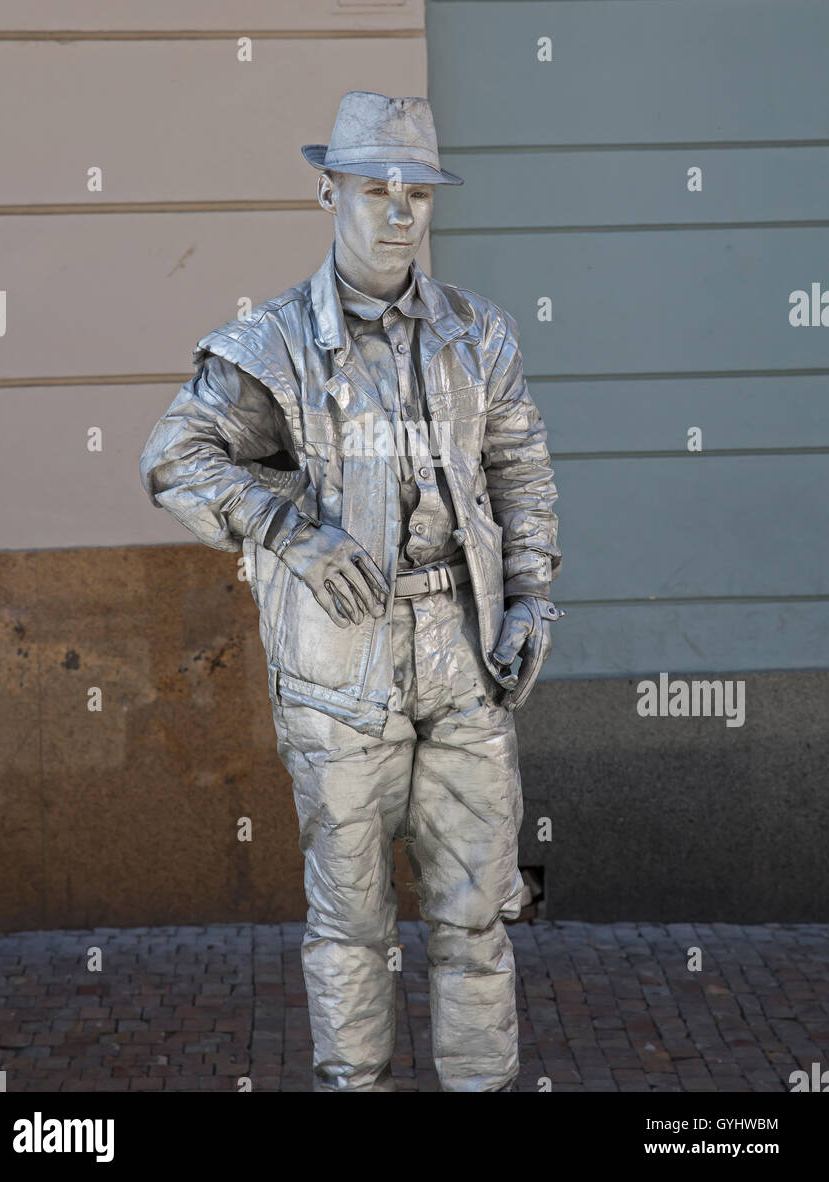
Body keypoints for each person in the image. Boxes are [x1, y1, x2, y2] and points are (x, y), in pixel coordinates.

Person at [140, 90, 563, 1092]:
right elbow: (174, 459)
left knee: (471, 920)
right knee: (349, 926)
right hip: (340, 670)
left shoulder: (478, 336)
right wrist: (284, 524)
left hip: (463, 661)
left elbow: (520, 473)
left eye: (415, 188)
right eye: (374, 187)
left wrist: (530, 594)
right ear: (326, 189)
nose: (397, 209)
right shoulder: (274, 343)